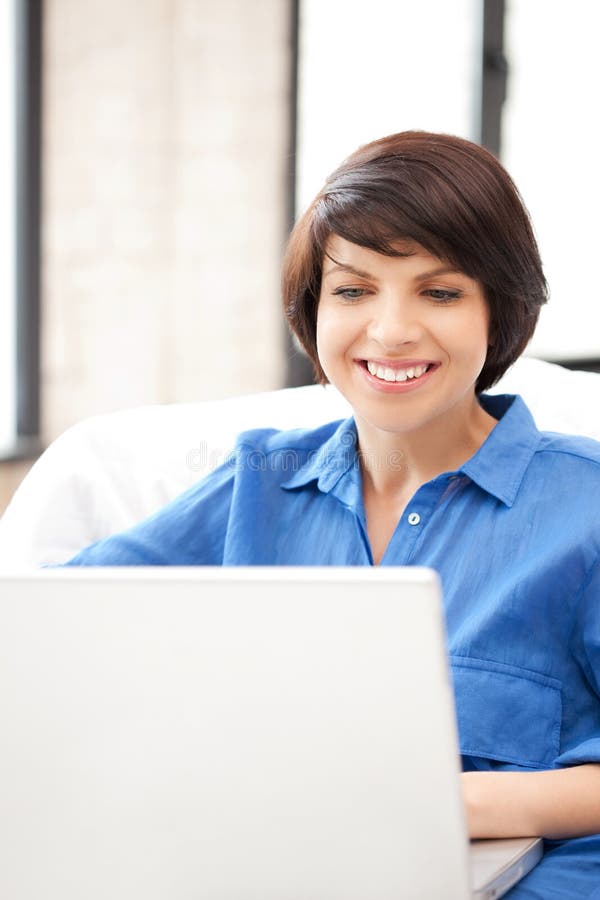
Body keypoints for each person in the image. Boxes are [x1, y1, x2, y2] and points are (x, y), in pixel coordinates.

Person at [63, 131, 600, 897]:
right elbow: (58, 629)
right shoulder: (256, 486)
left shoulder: (584, 507)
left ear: (500, 311)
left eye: (439, 292)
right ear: (314, 309)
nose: (390, 331)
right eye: (354, 291)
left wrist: (448, 803)